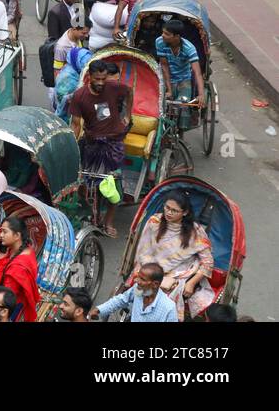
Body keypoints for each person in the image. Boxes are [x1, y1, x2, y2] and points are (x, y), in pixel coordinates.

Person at [130, 188, 214, 319]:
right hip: (149, 270)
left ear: (185, 212)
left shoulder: (195, 232)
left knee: (165, 302)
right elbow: (142, 251)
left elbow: (208, 262)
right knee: (135, 290)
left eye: (174, 210)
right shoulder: (154, 222)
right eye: (167, 207)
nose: (168, 213)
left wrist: (191, 284)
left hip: (176, 275)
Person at [68, 59, 129, 236]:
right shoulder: (79, 96)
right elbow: (76, 125)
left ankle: (108, 221)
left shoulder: (113, 88)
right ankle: (88, 213)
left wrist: (128, 114)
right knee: (83, 182)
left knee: (113, 186)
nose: (101, 83)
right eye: (97, 79)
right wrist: (72, 146)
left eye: (104, 79)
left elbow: (129, 92)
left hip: (113, 145)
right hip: (91, 144)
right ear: (89, 77)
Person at [155, 19, 205, 126]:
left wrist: (201, 94)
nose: (163, 35)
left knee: (184, 105)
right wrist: (169, 90)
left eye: (167, 34)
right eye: (163, 32)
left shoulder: (189, 48)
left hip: (184, 78)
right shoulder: (159, 42)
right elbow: (164, 66)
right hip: (165, 77)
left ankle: (181, 131)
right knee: (163, 106)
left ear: (176, 36)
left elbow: (197, 72)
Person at [91, 262, 178, 322]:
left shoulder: (168, 308)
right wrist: (100, 309)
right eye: (138, 277)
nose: (136, 281)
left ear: (155, 284)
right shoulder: (138, 290)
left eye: (142, 279)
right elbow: (121, 300)